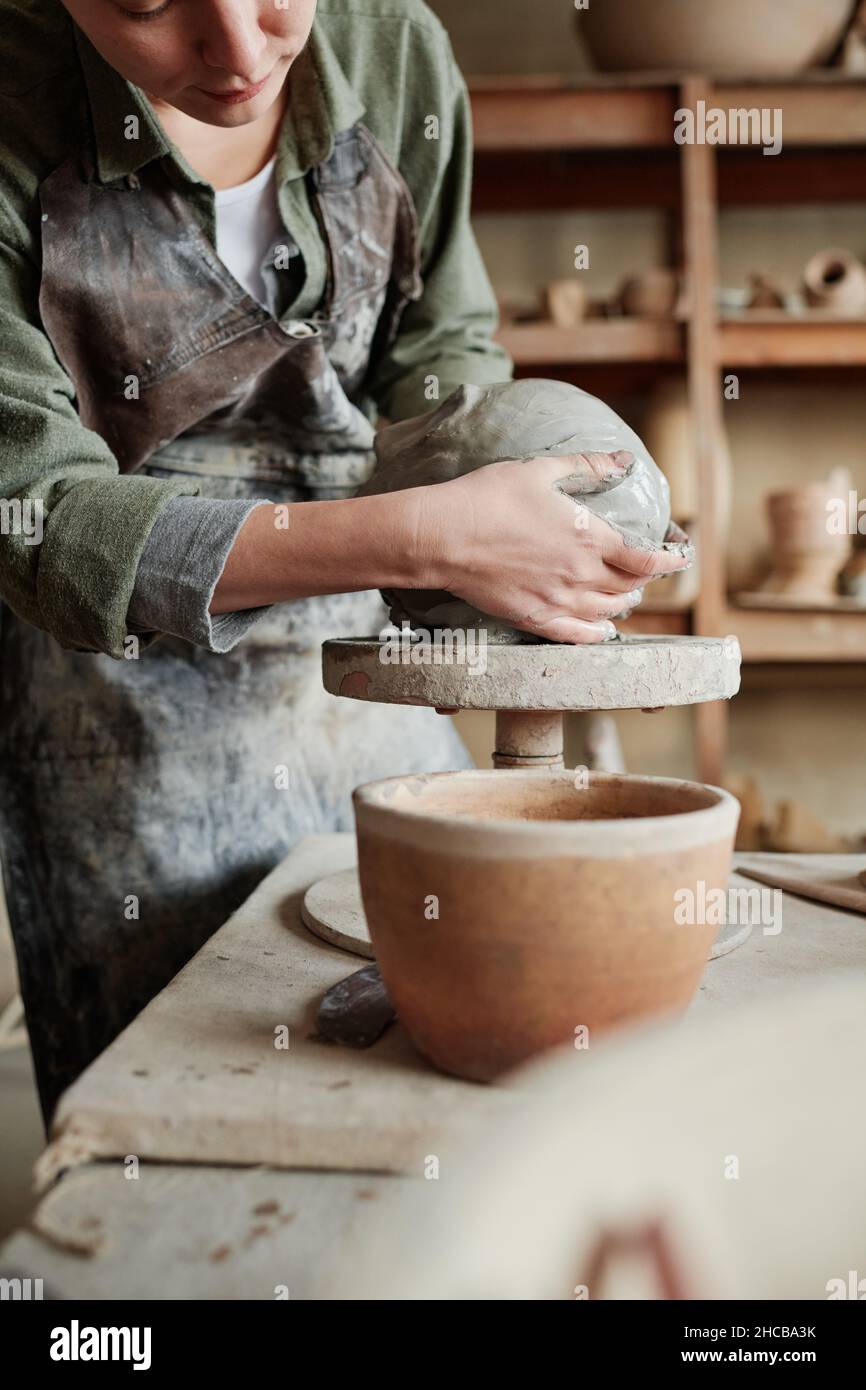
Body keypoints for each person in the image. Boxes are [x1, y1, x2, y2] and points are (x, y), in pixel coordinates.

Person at [0, 0, 686, 1123]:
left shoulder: (391, 46)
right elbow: (35, 513)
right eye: (148, 4)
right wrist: (424, 534)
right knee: (188, 1128)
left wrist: (518, 485)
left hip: (361, 664)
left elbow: (439, 347)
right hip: (116, 705)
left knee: (417, 1096)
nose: (238, 49)